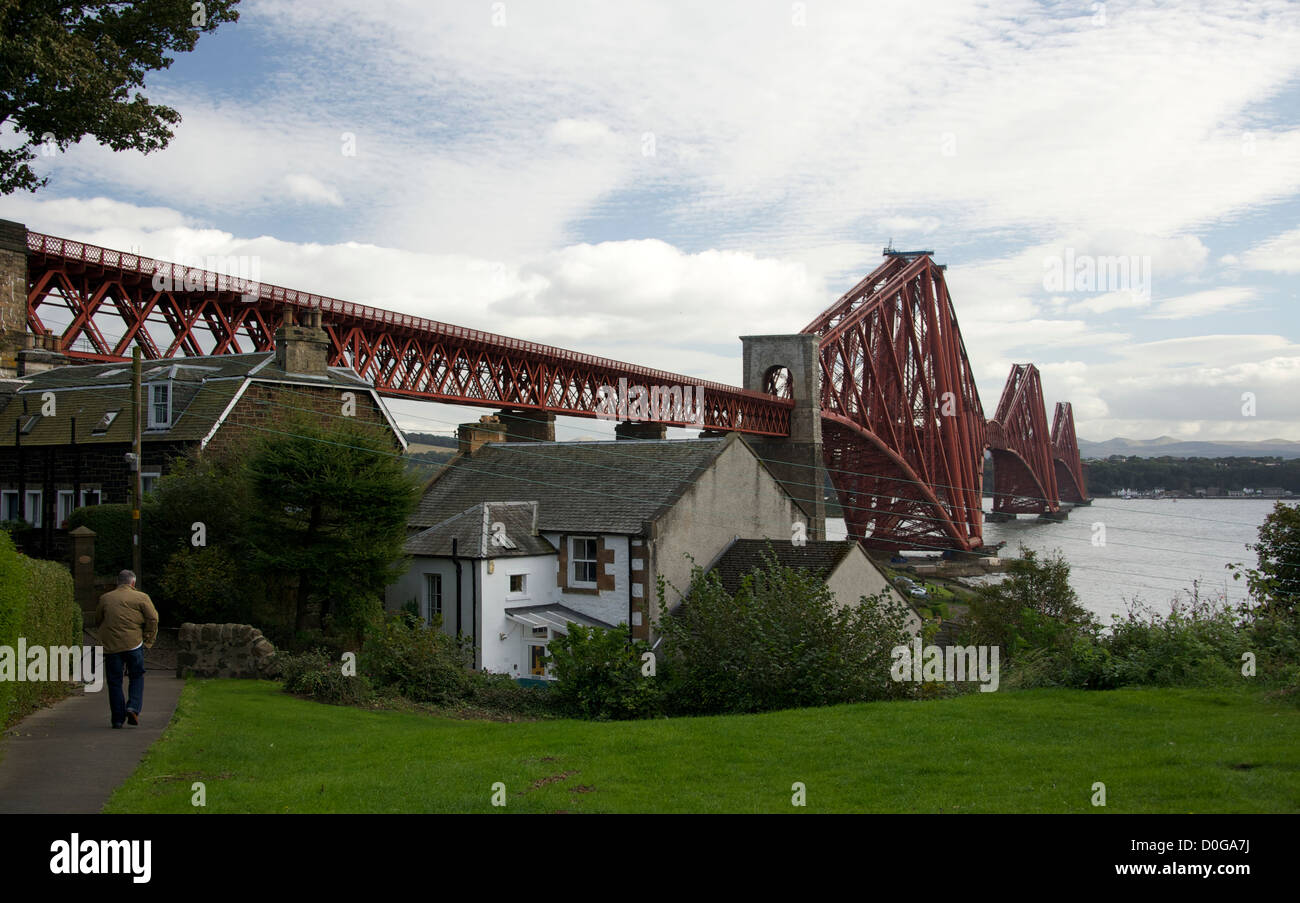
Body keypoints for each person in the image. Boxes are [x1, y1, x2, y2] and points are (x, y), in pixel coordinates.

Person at [93, 570, 159, 729]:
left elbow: (98, 619)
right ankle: (133, 707)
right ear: (133, 583)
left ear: (118, 582)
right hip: (134, 644)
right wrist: (148, 638)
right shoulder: (142, 597)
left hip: (111, 646)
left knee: (115, 682)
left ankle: (117, 719)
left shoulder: (106, 598)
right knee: (136, 676)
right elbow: (153, 618)